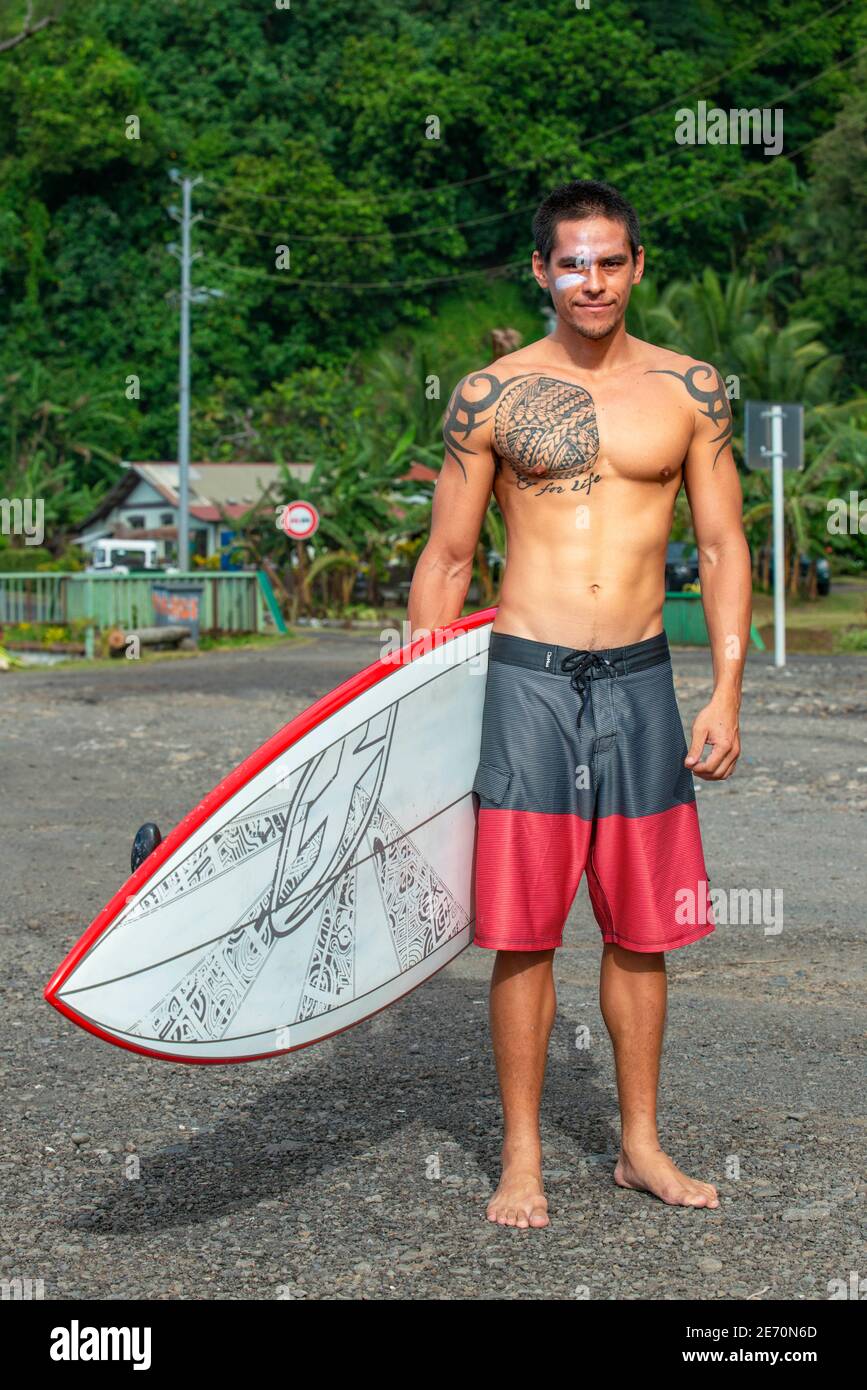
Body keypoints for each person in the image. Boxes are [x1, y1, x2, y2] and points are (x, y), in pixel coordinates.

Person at [407, 179, 751, 1229]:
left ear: (637, 266)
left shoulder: (691, 391)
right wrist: (413, 717)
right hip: (526, 679)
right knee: (525, 928)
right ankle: (521, 1155)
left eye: (609, 261)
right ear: (541, 271)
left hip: (643, 680)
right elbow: (450, 555)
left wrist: (726, 689)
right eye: (571, 262)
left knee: (643, 929)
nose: (590, 280)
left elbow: (727, 545)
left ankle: (639, 1144)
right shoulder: (489, 395)